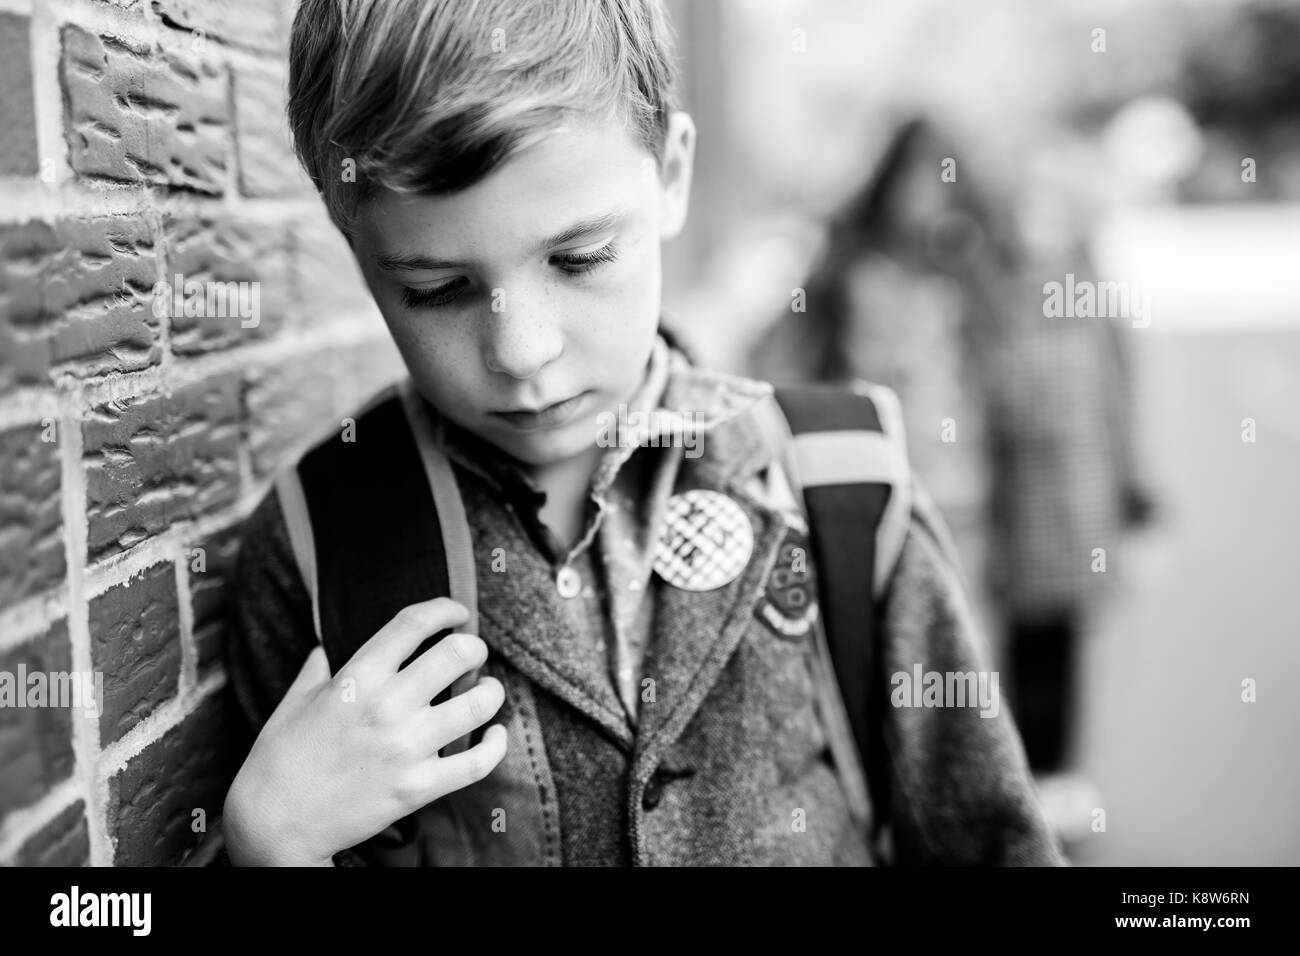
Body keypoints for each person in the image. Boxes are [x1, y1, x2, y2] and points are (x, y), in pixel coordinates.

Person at [219, 0, 1063, 867]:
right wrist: (271, 846)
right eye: (438, 288)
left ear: (671, 176)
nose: (522, 352)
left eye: (578, 260)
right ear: (350, 240)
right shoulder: (320, 548)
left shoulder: (845, 488)